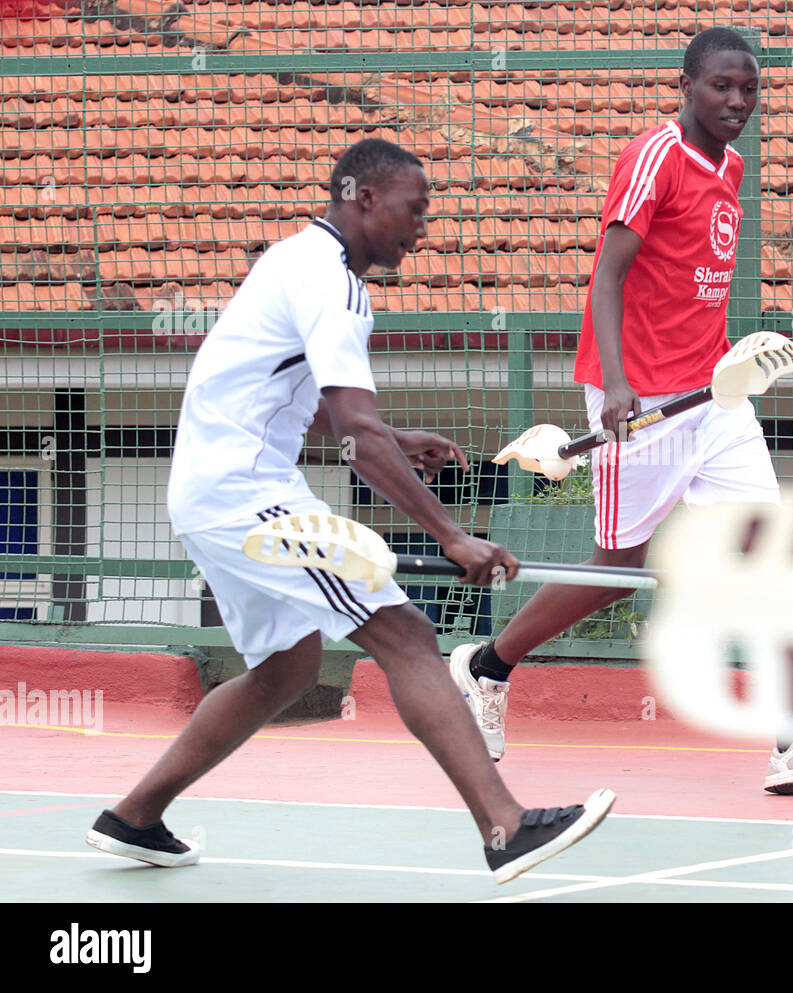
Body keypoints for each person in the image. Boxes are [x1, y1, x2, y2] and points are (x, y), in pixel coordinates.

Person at [85, 138, 614, 884]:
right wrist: (454, 535)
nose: (423, 227)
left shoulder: (303, 262)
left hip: (216, 488)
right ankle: (504, 825)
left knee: (287, 664)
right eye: (415, 207)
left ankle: (135, 815)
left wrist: (392, 434)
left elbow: (313, 402)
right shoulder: (330, 280)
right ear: (361, 195)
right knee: (405, 632)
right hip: (246, 493)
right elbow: (357, 439)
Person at [451, 29, 793, 795]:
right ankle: (487, 665)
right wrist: (616, 384)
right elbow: (608, 274)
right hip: (638, 400)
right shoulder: (655, 157)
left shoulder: (732, 165)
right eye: (721, 86)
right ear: (686, 85)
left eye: (748, 89)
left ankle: (792, 739)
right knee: (619, 572)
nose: (737, 101)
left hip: (715, 397)